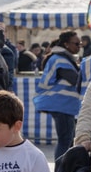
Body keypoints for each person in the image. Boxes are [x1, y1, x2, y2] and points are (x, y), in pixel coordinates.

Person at [34, 30, 82, 161]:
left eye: (81, 43)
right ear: (66, 44)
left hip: (63, 105)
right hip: (62, 105)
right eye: (77, 43)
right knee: (65, 141)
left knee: (67, 140)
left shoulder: (60, 57)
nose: (79, 46)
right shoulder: (61, 59)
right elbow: (76, 80)